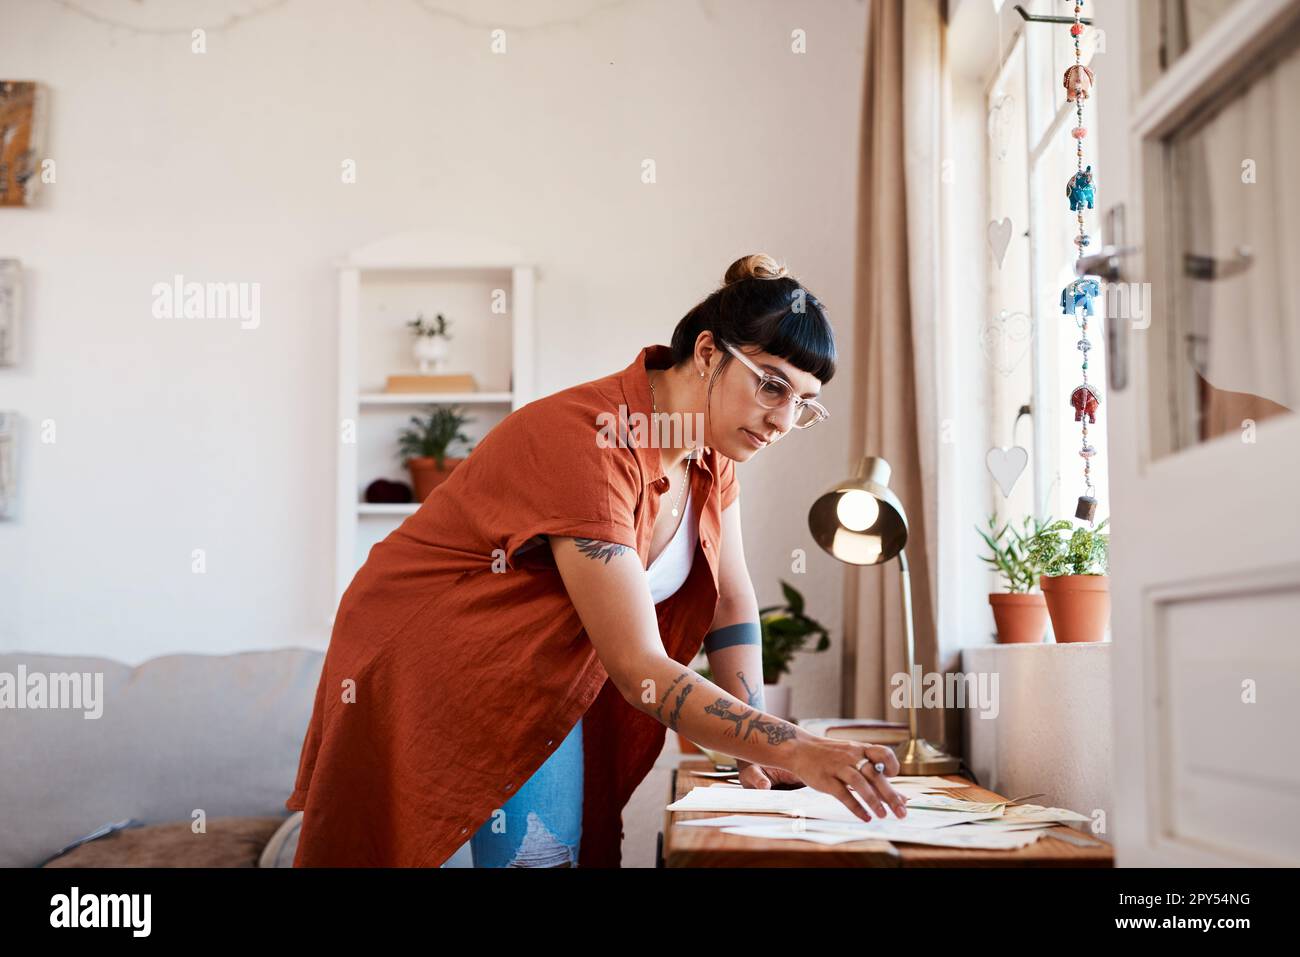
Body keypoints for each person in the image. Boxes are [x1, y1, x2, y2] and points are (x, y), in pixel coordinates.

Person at [284, 253, 907, 867]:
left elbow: (731, 600)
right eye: (772, 385)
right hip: (436, 654)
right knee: (528, 856)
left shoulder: (711, 453)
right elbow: (639, 665)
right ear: (710, 353)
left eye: (804, 403)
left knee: (563, 848)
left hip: (543, 663)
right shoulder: (592, 442)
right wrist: (797, 748)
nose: (781, 419)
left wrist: (759, 748)